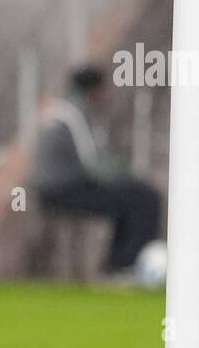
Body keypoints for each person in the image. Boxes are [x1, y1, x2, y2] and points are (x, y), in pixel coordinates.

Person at [30, 65, 161, 276]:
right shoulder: (71, 113)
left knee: (133, 199)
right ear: (93, 89)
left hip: (61, 185)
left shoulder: (61, 109)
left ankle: (119, 265)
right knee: (145, 198)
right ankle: (123, 267)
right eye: (104, 88)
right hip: (63, 189)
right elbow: (91, 162)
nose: (107, 94)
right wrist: (126, 178)